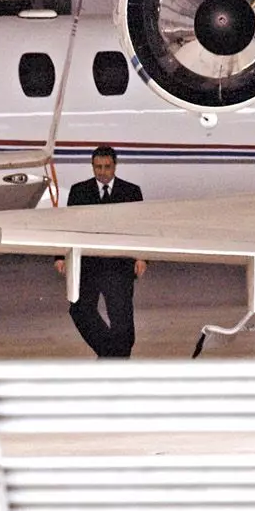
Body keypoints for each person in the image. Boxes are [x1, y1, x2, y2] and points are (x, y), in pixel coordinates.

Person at [60, 145, 144, 358]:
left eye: (107, 167)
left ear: (115, 166)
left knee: (122, 318)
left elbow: (142, 228)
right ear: (92, 166)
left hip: (119, 266)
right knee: (79, 310)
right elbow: (67, 226)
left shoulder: (131, 192)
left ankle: (118, 356)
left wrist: (142, 257)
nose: (102, 172)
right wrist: (60, 256)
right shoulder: (79, 191)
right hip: (88, 265)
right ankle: (111, 354)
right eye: (98, 167)